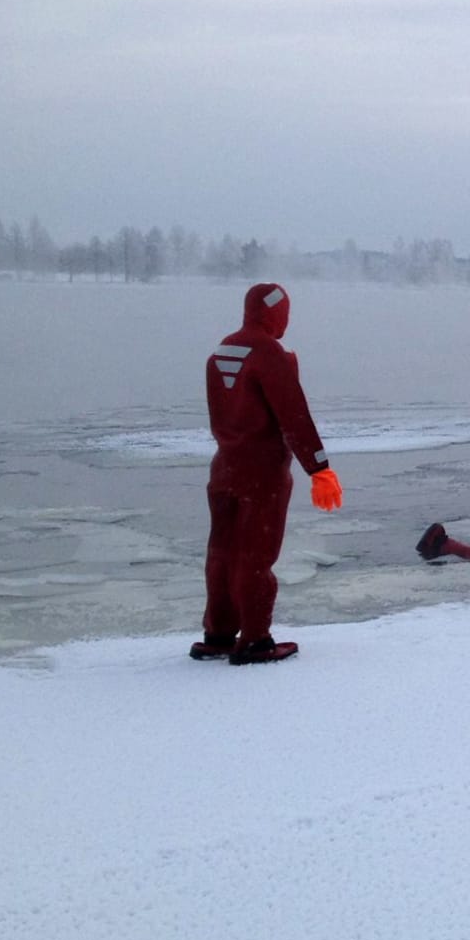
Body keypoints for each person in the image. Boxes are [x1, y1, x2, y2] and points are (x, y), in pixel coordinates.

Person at [192, 282, 343, 665]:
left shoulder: (222, 351)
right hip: (261, 472)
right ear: (274, 313)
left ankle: (218, 633)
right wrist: (319, 469)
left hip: (224, 468)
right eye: (284, 314)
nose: (286, 322)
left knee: (221, 551)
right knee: (256, 555)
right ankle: (255, 639)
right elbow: (293, 416)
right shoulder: (269, 354)